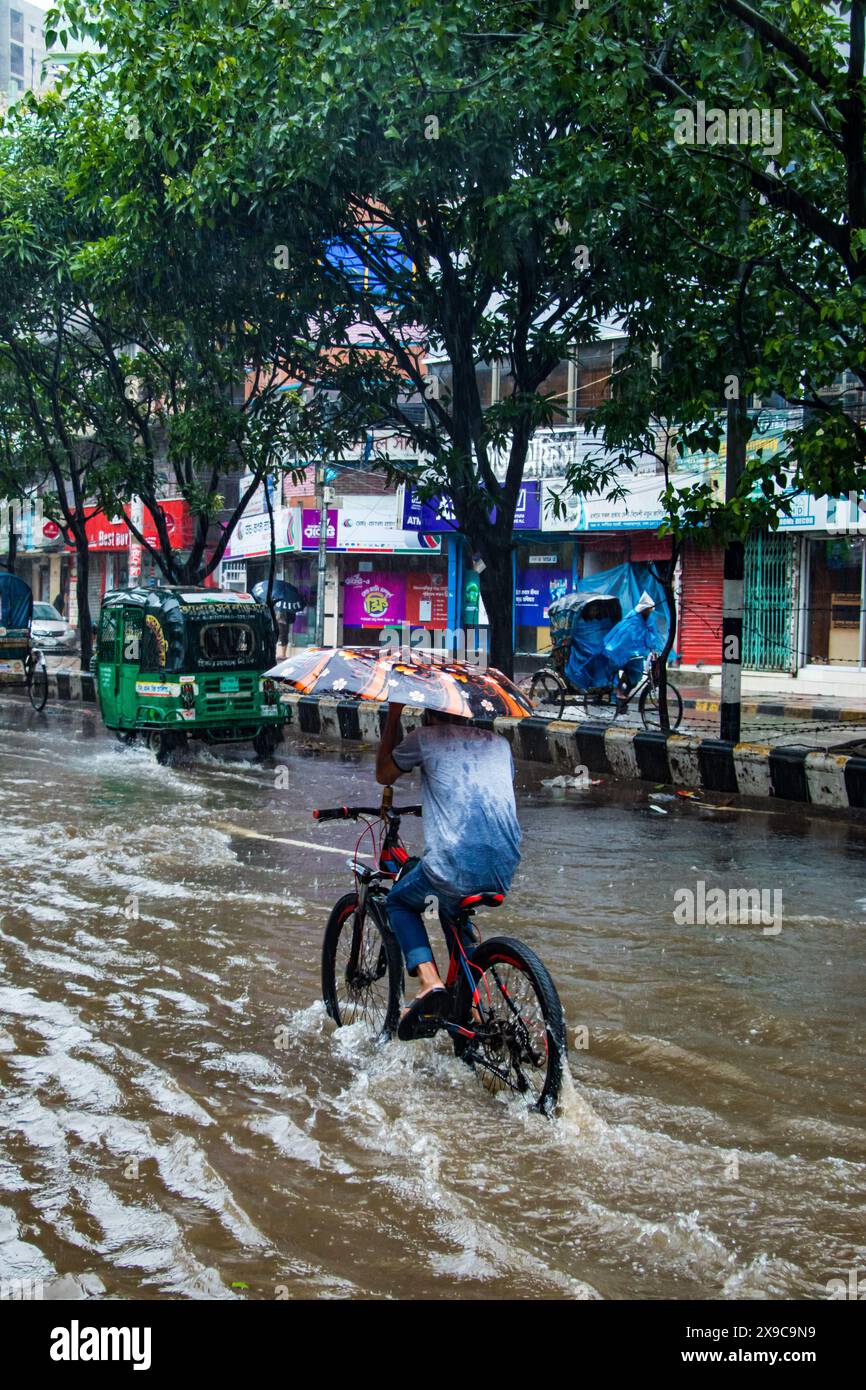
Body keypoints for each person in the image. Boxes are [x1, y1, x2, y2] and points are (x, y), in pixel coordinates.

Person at [376, 702, 522, 1040]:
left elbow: (384, 774)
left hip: (453, 864)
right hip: (504, 863)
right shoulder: (500, 744)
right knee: (450, 904)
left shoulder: (424, 738)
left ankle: (429, 981)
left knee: (398, 901)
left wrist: (394, 715)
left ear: (428, 713)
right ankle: (468, 1004)